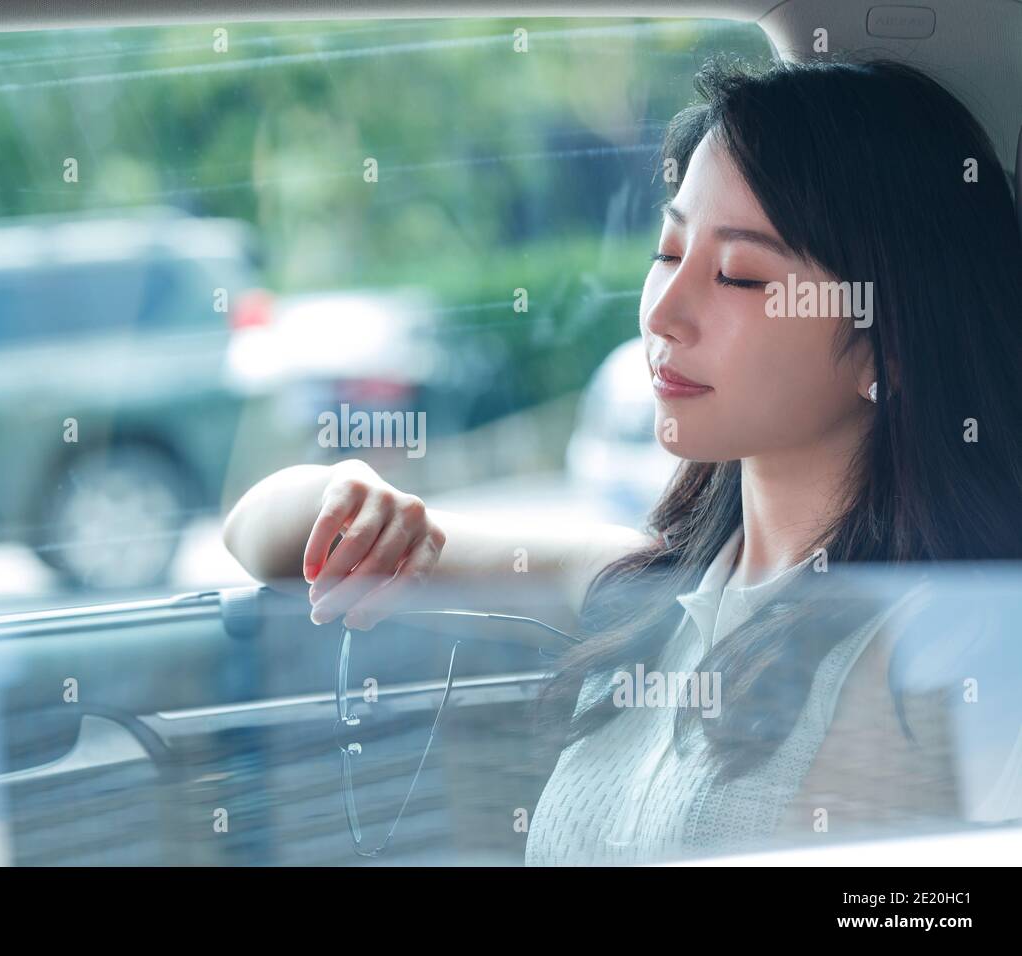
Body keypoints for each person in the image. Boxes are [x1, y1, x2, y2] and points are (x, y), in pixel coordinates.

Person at [223, 56, 1022, 864]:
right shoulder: (644, 588)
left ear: (887, 343)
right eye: (669, 251)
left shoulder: (941, 650)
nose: (664, 312)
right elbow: (259, 531)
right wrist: (354, 496)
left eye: (739, 275)